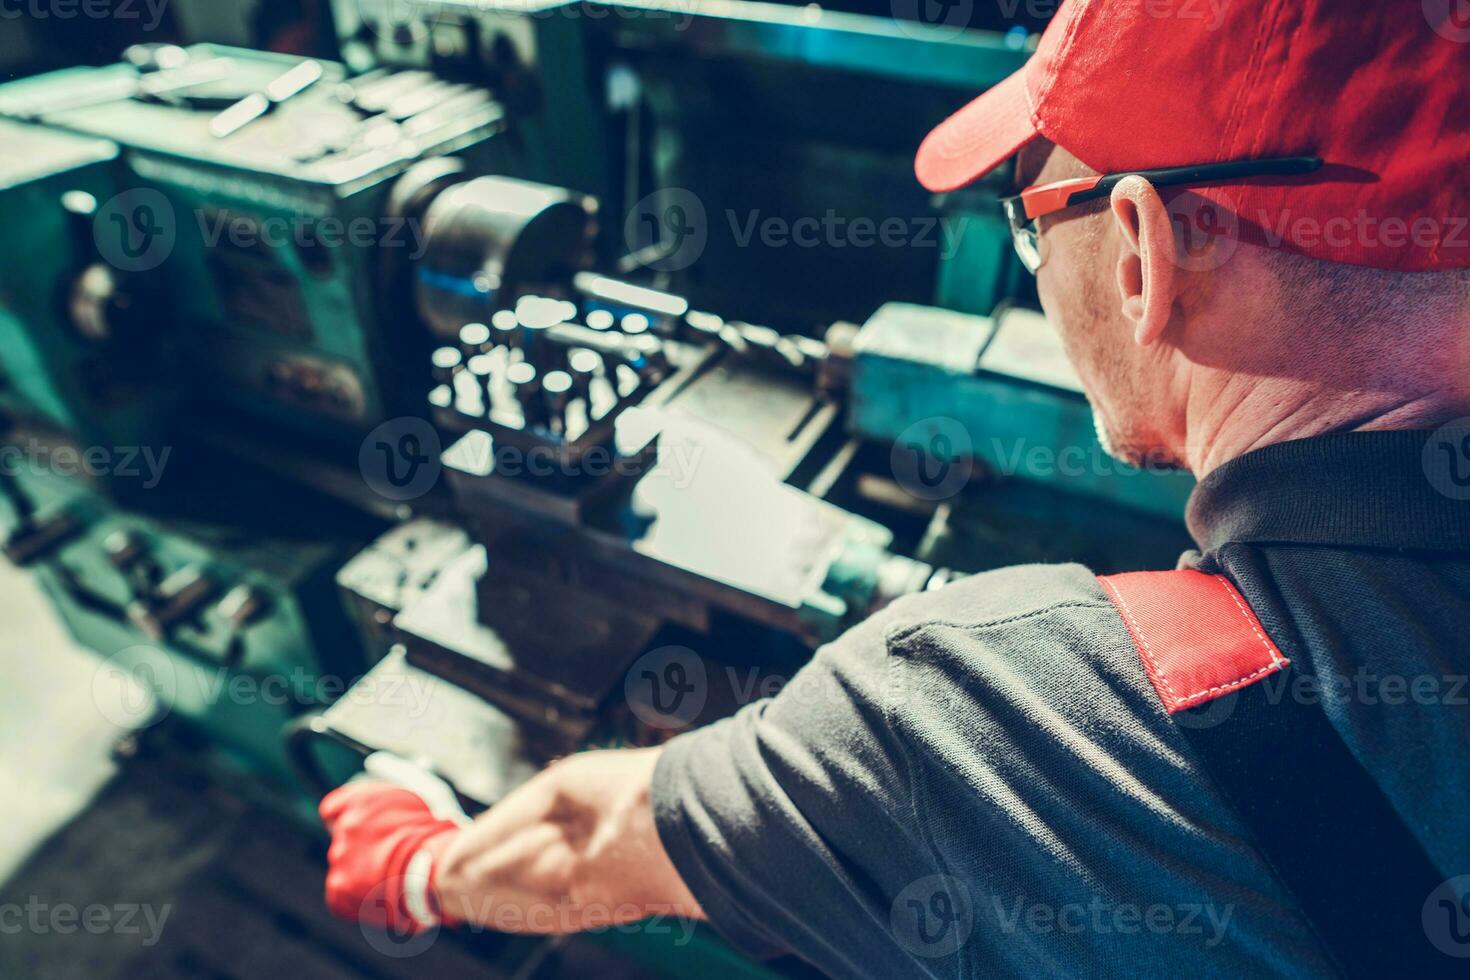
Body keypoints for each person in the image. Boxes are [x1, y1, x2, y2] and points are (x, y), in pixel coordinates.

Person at [320, 1, 1470, 975]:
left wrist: (421, 864)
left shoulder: (970, 708)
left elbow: (586, 838)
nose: (1035, 260)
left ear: (1141, 250)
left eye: (1030, 219)